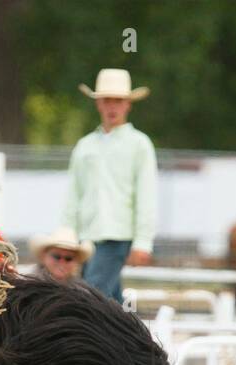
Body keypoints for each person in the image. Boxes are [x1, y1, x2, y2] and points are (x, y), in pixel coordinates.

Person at [62, 68, 157, 304]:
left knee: (90, 298)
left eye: (118, 101)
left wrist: (143, 241)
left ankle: (90, 340)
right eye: (107, 101)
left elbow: (146, 195)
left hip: (117, 234)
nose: (112, 107)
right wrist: (67, 236)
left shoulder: (139, 144)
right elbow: (74, 194)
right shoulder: (85, 145)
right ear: (99, 104)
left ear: (128, 105)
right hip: (87, 236)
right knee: (110, 302)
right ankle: (129, 340)